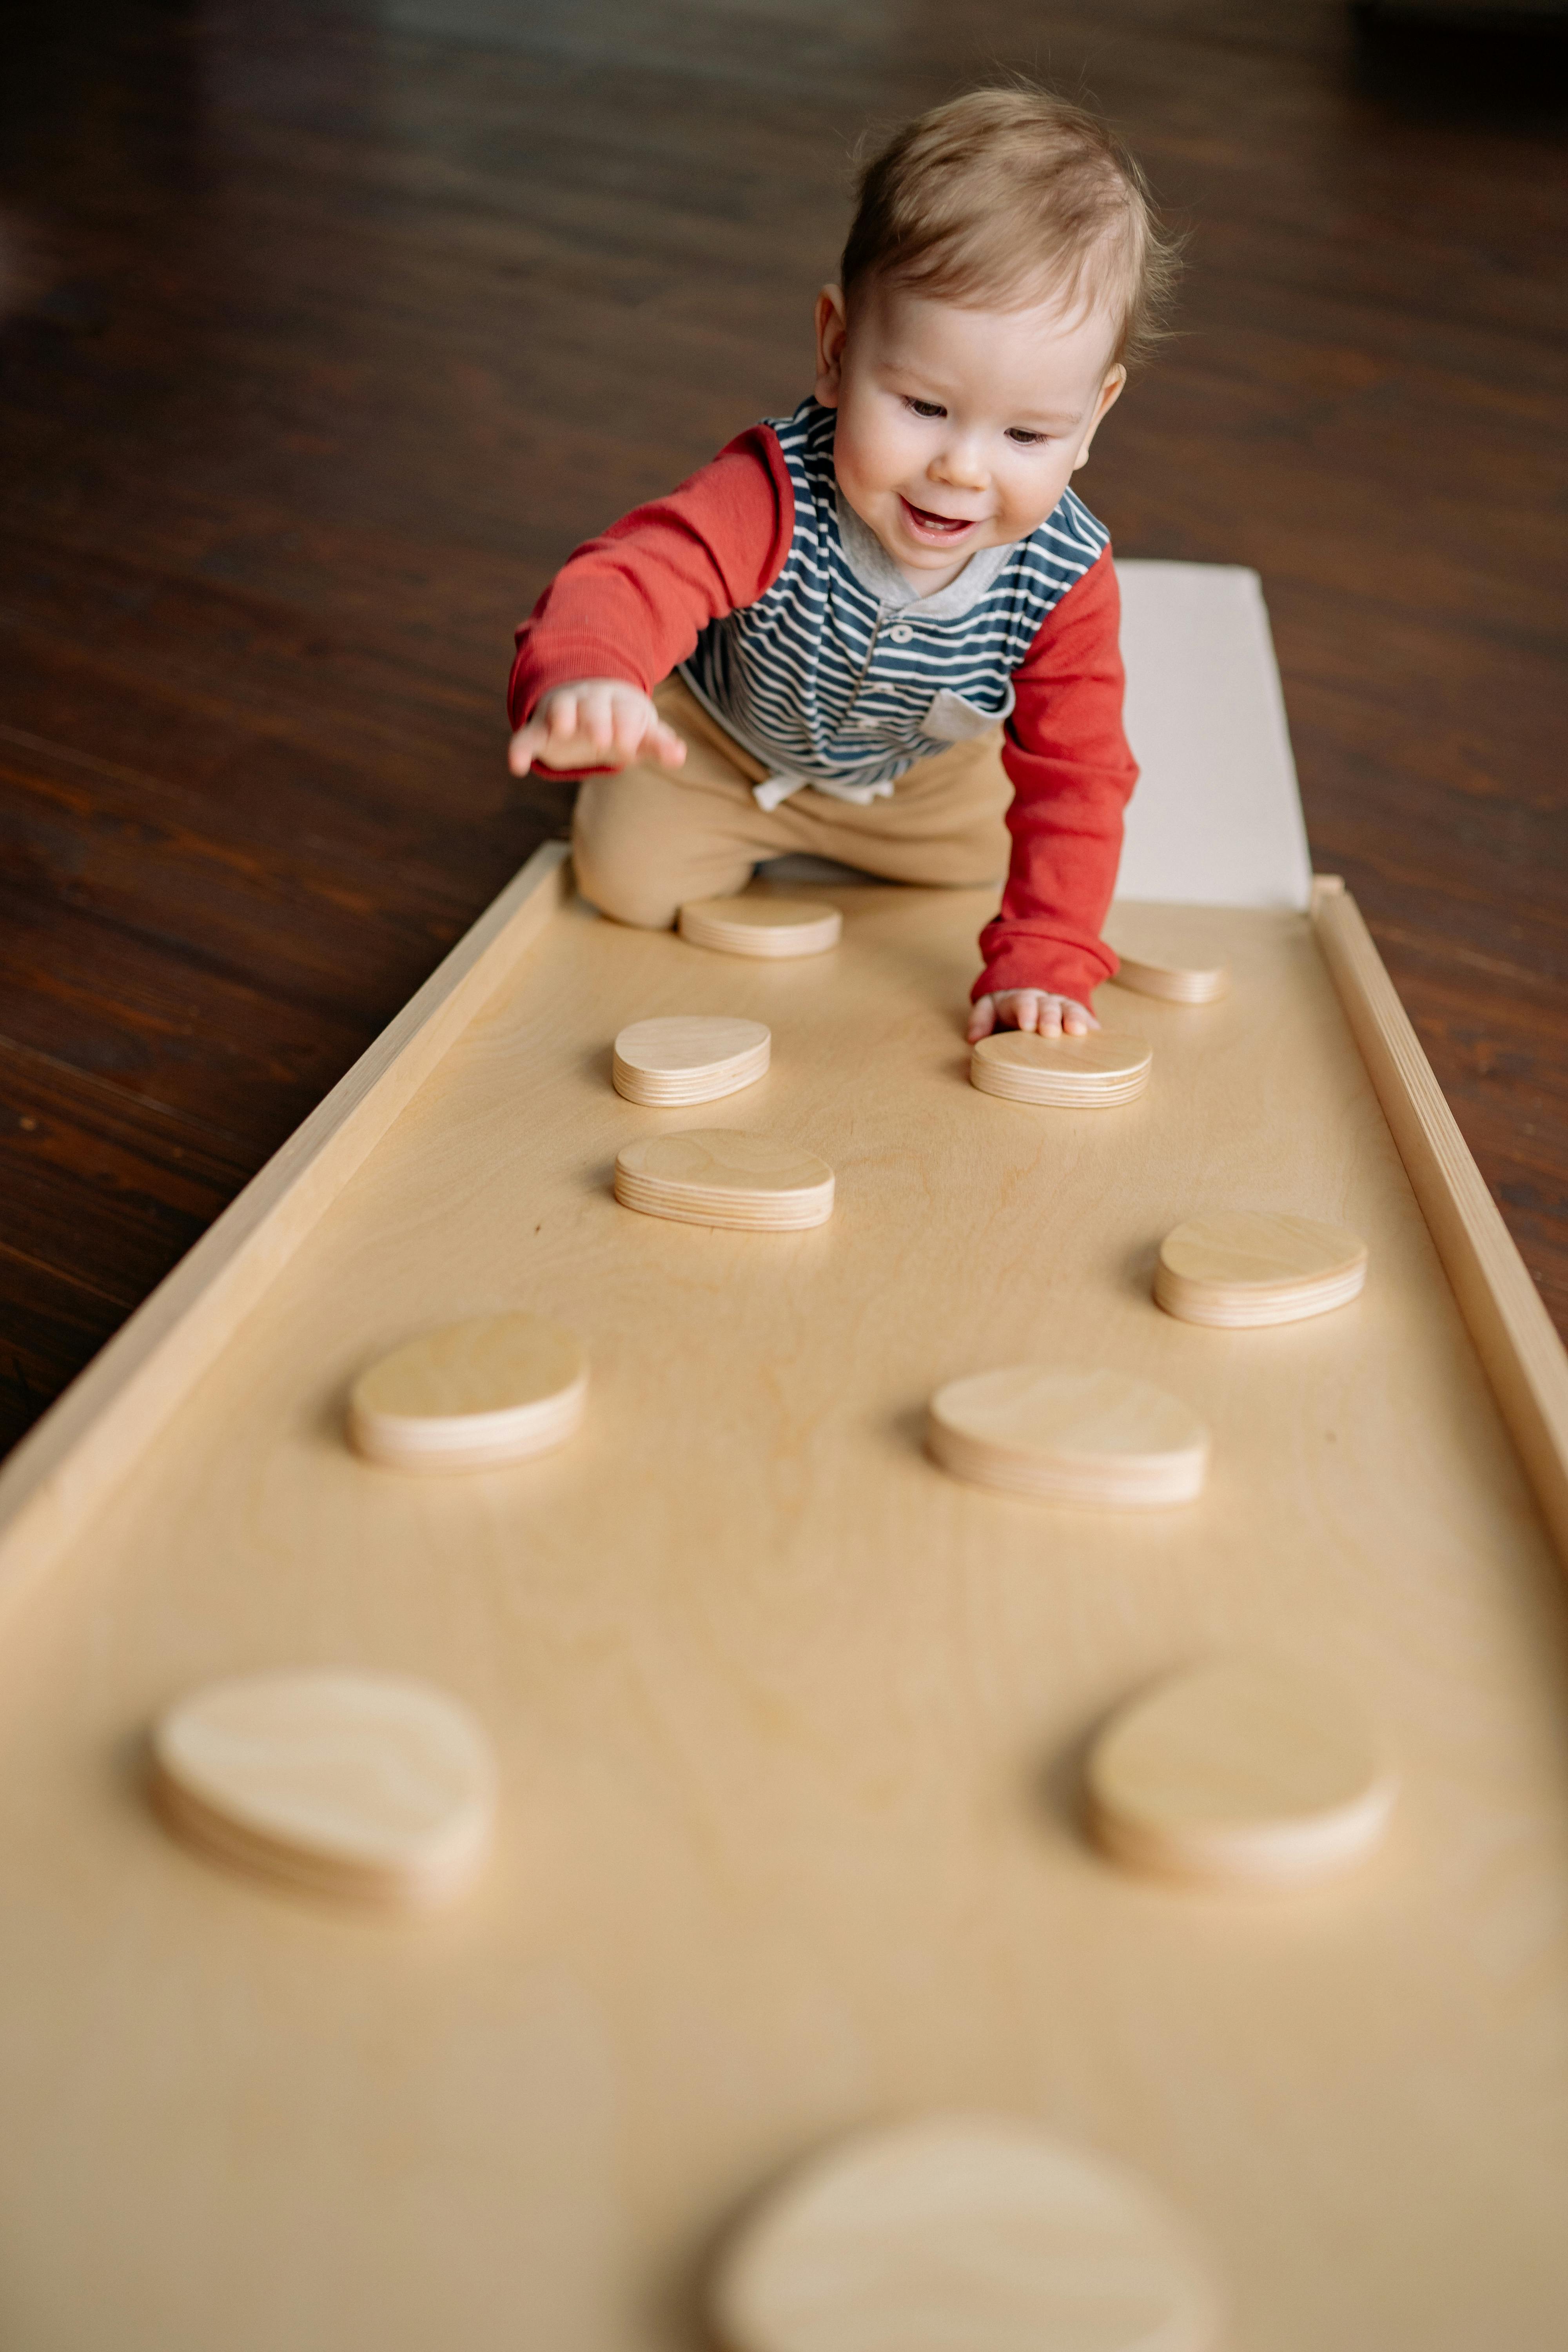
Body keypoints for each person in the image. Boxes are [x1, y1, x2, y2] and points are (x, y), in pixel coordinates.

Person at [506, 86, 1179, 1040]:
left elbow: (1078, 774)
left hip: (916, 782)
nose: (960, 468)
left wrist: (1045, 954)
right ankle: (694, 781)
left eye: (1027, 432)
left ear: (1094, 417)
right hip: (725, 751)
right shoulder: (774, 492)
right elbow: (638, 571)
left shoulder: (1063, 576)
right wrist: (591, 675)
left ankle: (889, 848)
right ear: (836, 350)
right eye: (921, 407)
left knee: (1014, 864)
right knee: (623, 885)